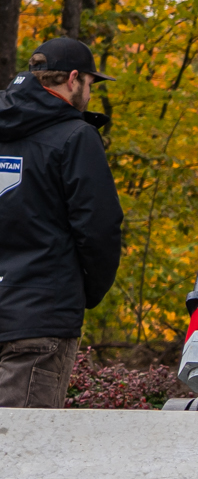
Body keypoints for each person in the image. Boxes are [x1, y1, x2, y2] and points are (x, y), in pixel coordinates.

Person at [0, 37, 122, 408]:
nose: (89, 91)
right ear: (72, 78)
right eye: (89, 83)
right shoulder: (75, 137)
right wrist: (86, 293)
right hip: (41, 317)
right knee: (22, 451)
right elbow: (98, 228)